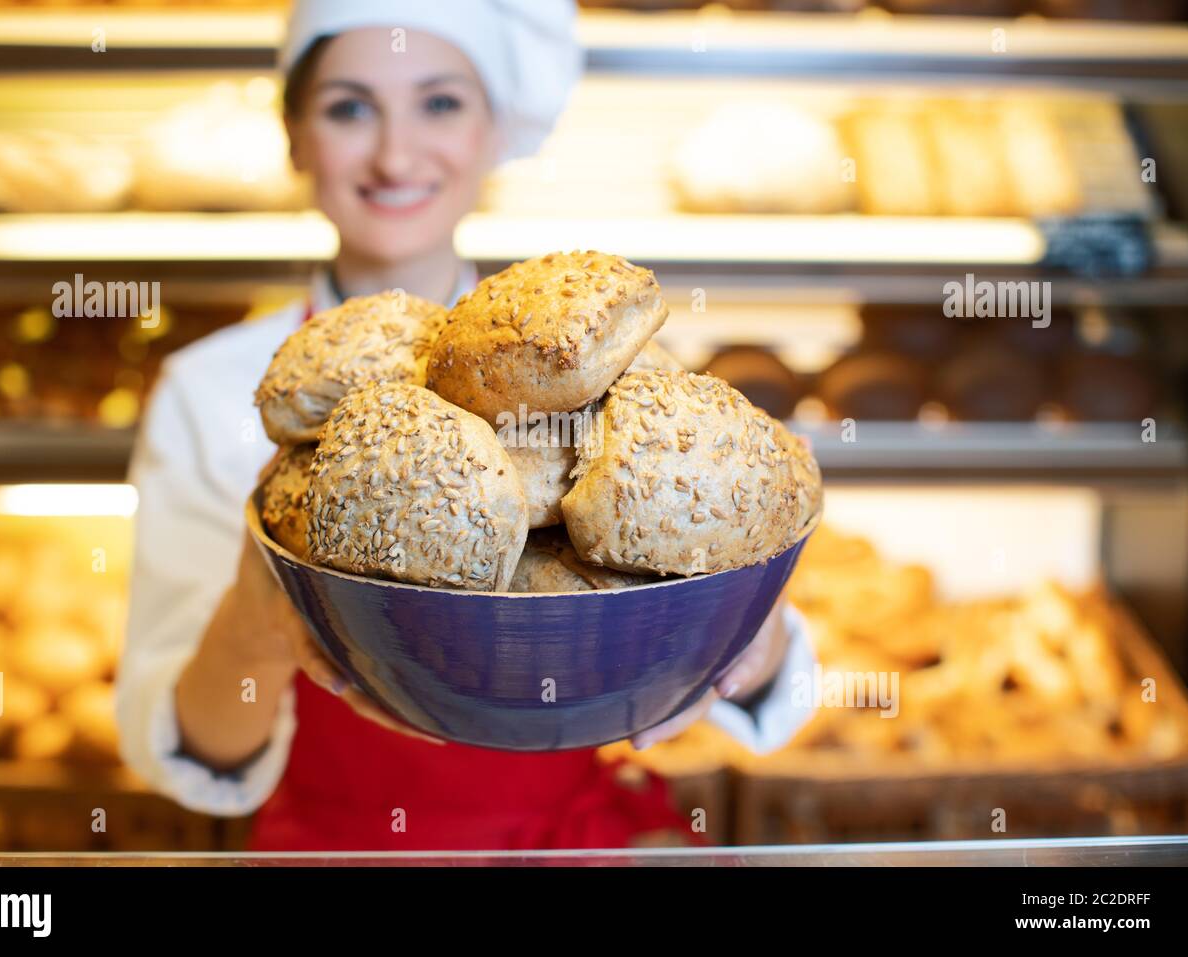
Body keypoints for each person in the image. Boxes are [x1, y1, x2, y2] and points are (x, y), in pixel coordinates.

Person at [116, 0, 818, 852]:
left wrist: (741, 616)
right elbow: (196, 754)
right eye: (349, 107)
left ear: (498, 131)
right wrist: (259, 615)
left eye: (440, 102)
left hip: (570, 842)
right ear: (294, 135)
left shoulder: (614, 371)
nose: (395, 152)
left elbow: (776, 701)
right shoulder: (209, 389)